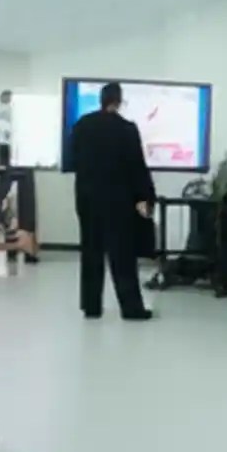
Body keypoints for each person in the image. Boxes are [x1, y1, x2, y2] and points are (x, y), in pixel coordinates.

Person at [68, 82, 155, 320]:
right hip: (118, 200)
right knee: (122, 255)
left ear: (101, 100)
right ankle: (131, 308)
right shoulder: (126, 129)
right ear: (118, 101)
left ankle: (91, 306)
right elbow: (137, 166)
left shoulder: (82, 125)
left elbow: (70, 160)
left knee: (91, 251)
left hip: (87, 198)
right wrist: (145, 196)